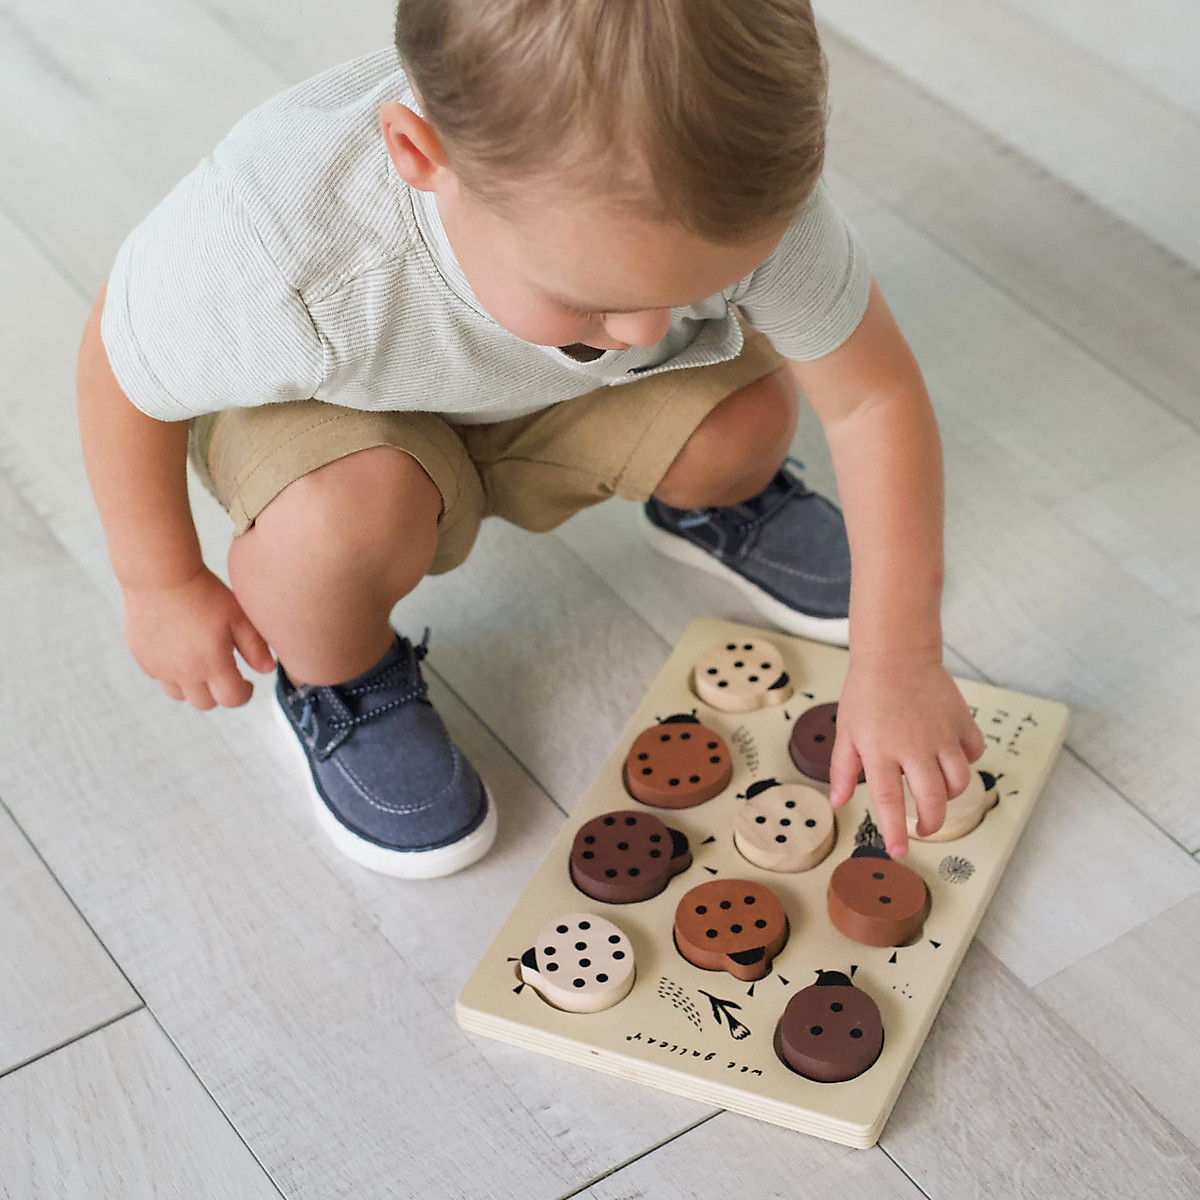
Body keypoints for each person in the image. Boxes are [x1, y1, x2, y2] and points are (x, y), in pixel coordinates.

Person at [76, 0, 985, 879]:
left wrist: (899, 657)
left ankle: (716, 503)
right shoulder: (276, 237)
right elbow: (120, 365)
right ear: (419, 156)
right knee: (329, 538)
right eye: (593, 298)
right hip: (340, 416)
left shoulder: (733, 180)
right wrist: (159, 580)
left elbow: (871, 399)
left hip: (557, 395)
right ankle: (338, 680)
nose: (645, 329)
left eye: (692, 288)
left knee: (746, 411)